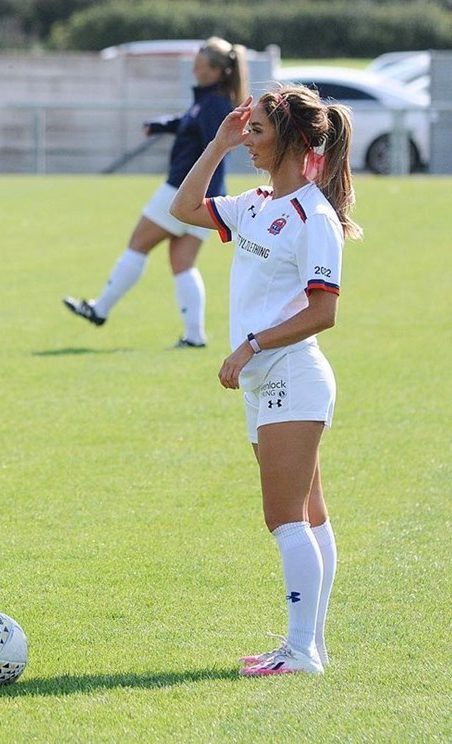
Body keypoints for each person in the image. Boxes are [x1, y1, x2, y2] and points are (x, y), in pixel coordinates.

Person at [170, 84, 363, 675]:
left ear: (289, 139)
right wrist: (218, 142)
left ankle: (301, 649)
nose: (248, 139)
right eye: (246, 129)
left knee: (284, 517)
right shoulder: (255, 203)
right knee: (309, 515)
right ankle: (311, 645)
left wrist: (249, 346)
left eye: (255, 131)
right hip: (266, 381)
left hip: (292, 375)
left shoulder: (314, 216)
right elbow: (183, 210)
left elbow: (323, 311)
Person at [63, 37, 248, 348]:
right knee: (182, 263)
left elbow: (214, 146)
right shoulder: (211, 100)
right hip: (206, 197)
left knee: (138, 245)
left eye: (199, 63)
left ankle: (100, 309)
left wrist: (194, 193)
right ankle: (194, 336)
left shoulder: (213, 103)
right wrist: (164, 125)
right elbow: (191, 125)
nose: (194, 67)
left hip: (182, 191)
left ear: (215, 70)